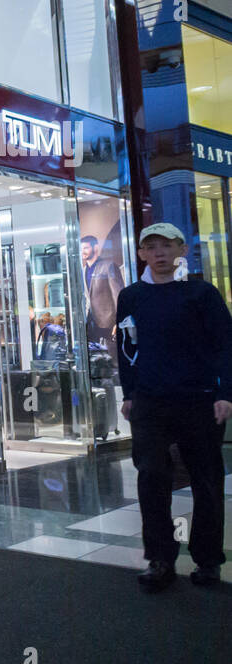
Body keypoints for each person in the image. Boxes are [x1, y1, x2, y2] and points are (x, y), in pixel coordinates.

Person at [116, 222, 232, 591]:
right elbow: (125, 347)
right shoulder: (132, 296)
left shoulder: (201, 293)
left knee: (207, 480)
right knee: (151, 478)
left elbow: (225, 346)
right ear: (141, 254)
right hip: (149, 402)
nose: (160, 253)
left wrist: (224, 393)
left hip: (199, 400)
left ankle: (209, 560)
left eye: (167, 245)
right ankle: (160, 558)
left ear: (182, 249)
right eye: (151, 247)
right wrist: (129, 393)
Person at [82, 235, 124, 348]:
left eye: (86, 248)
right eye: (81, 249)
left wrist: (118, 321)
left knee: (112, 357)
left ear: (95, 248)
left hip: (108, 322)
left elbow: (118, 296)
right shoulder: (83, 270)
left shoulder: (108, 266)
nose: (82, 251)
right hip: (90, 322)